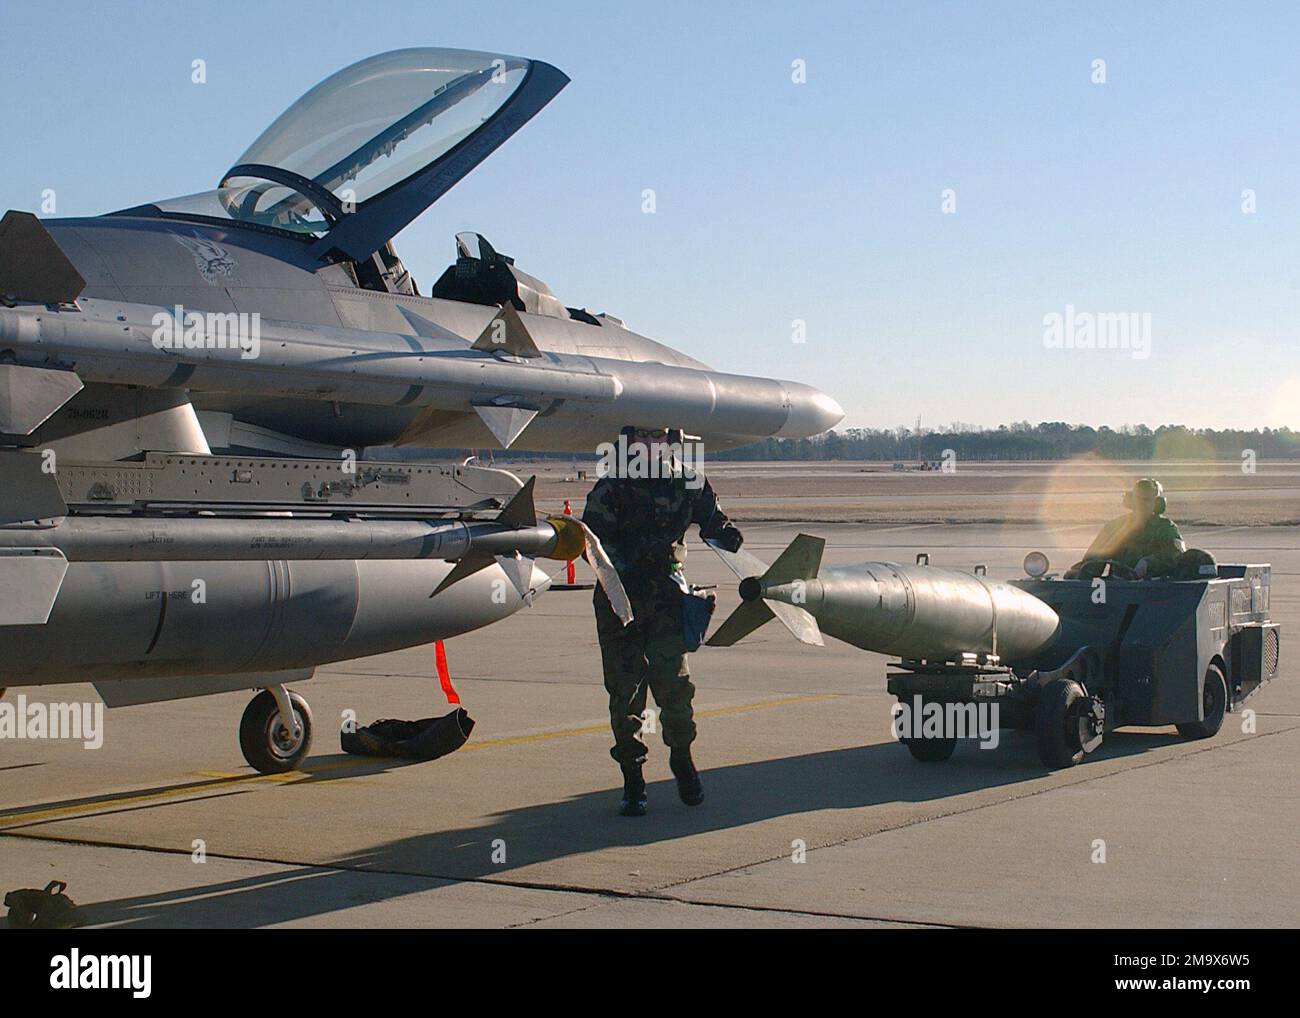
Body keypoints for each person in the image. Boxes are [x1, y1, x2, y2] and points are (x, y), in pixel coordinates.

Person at [582, 425, 744, 816]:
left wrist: (726, 534)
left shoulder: (687, 480)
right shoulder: (613, 486)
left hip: (668, 603)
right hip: (620, 604)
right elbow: (592, 543)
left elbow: (711, 519)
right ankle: (633, 778)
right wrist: (625, 573)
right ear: (630, 442)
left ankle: (683, 760)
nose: (652, 444)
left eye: (659, 437)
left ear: (670, 440)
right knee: (626, 695)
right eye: (644, 437)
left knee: (676, 689)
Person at [1070, 477, 1186, 578]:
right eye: (1137, 499)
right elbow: (1092, 561)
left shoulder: (1166, 528)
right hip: (1119, 586)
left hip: (1154, 590)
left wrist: (1148, 563)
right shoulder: (1114, 526)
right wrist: (1078, 574)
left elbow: (1176, 558)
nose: (1141, 504)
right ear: (1130, 500)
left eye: (1146, 500)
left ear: (1157, 504)